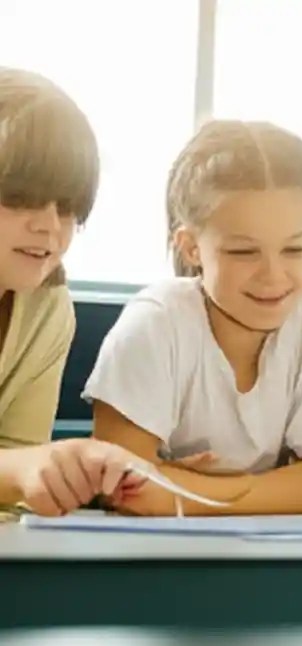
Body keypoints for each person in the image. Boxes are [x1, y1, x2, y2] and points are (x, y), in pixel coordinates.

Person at [83, 120, 302, 516]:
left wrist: (189, 488)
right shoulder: (156, 323)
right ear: (192, 247)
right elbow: (124, 486)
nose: (273, 276)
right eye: (243, 253)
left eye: (297, 249)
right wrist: (282, 490)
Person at [0, 67, 151, 517]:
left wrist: (83, 478)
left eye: (66, 206)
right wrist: (21, 469)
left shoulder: (47, 308)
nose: (48, 225)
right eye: (21, 197)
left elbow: (18, 477)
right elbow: (16, 467)